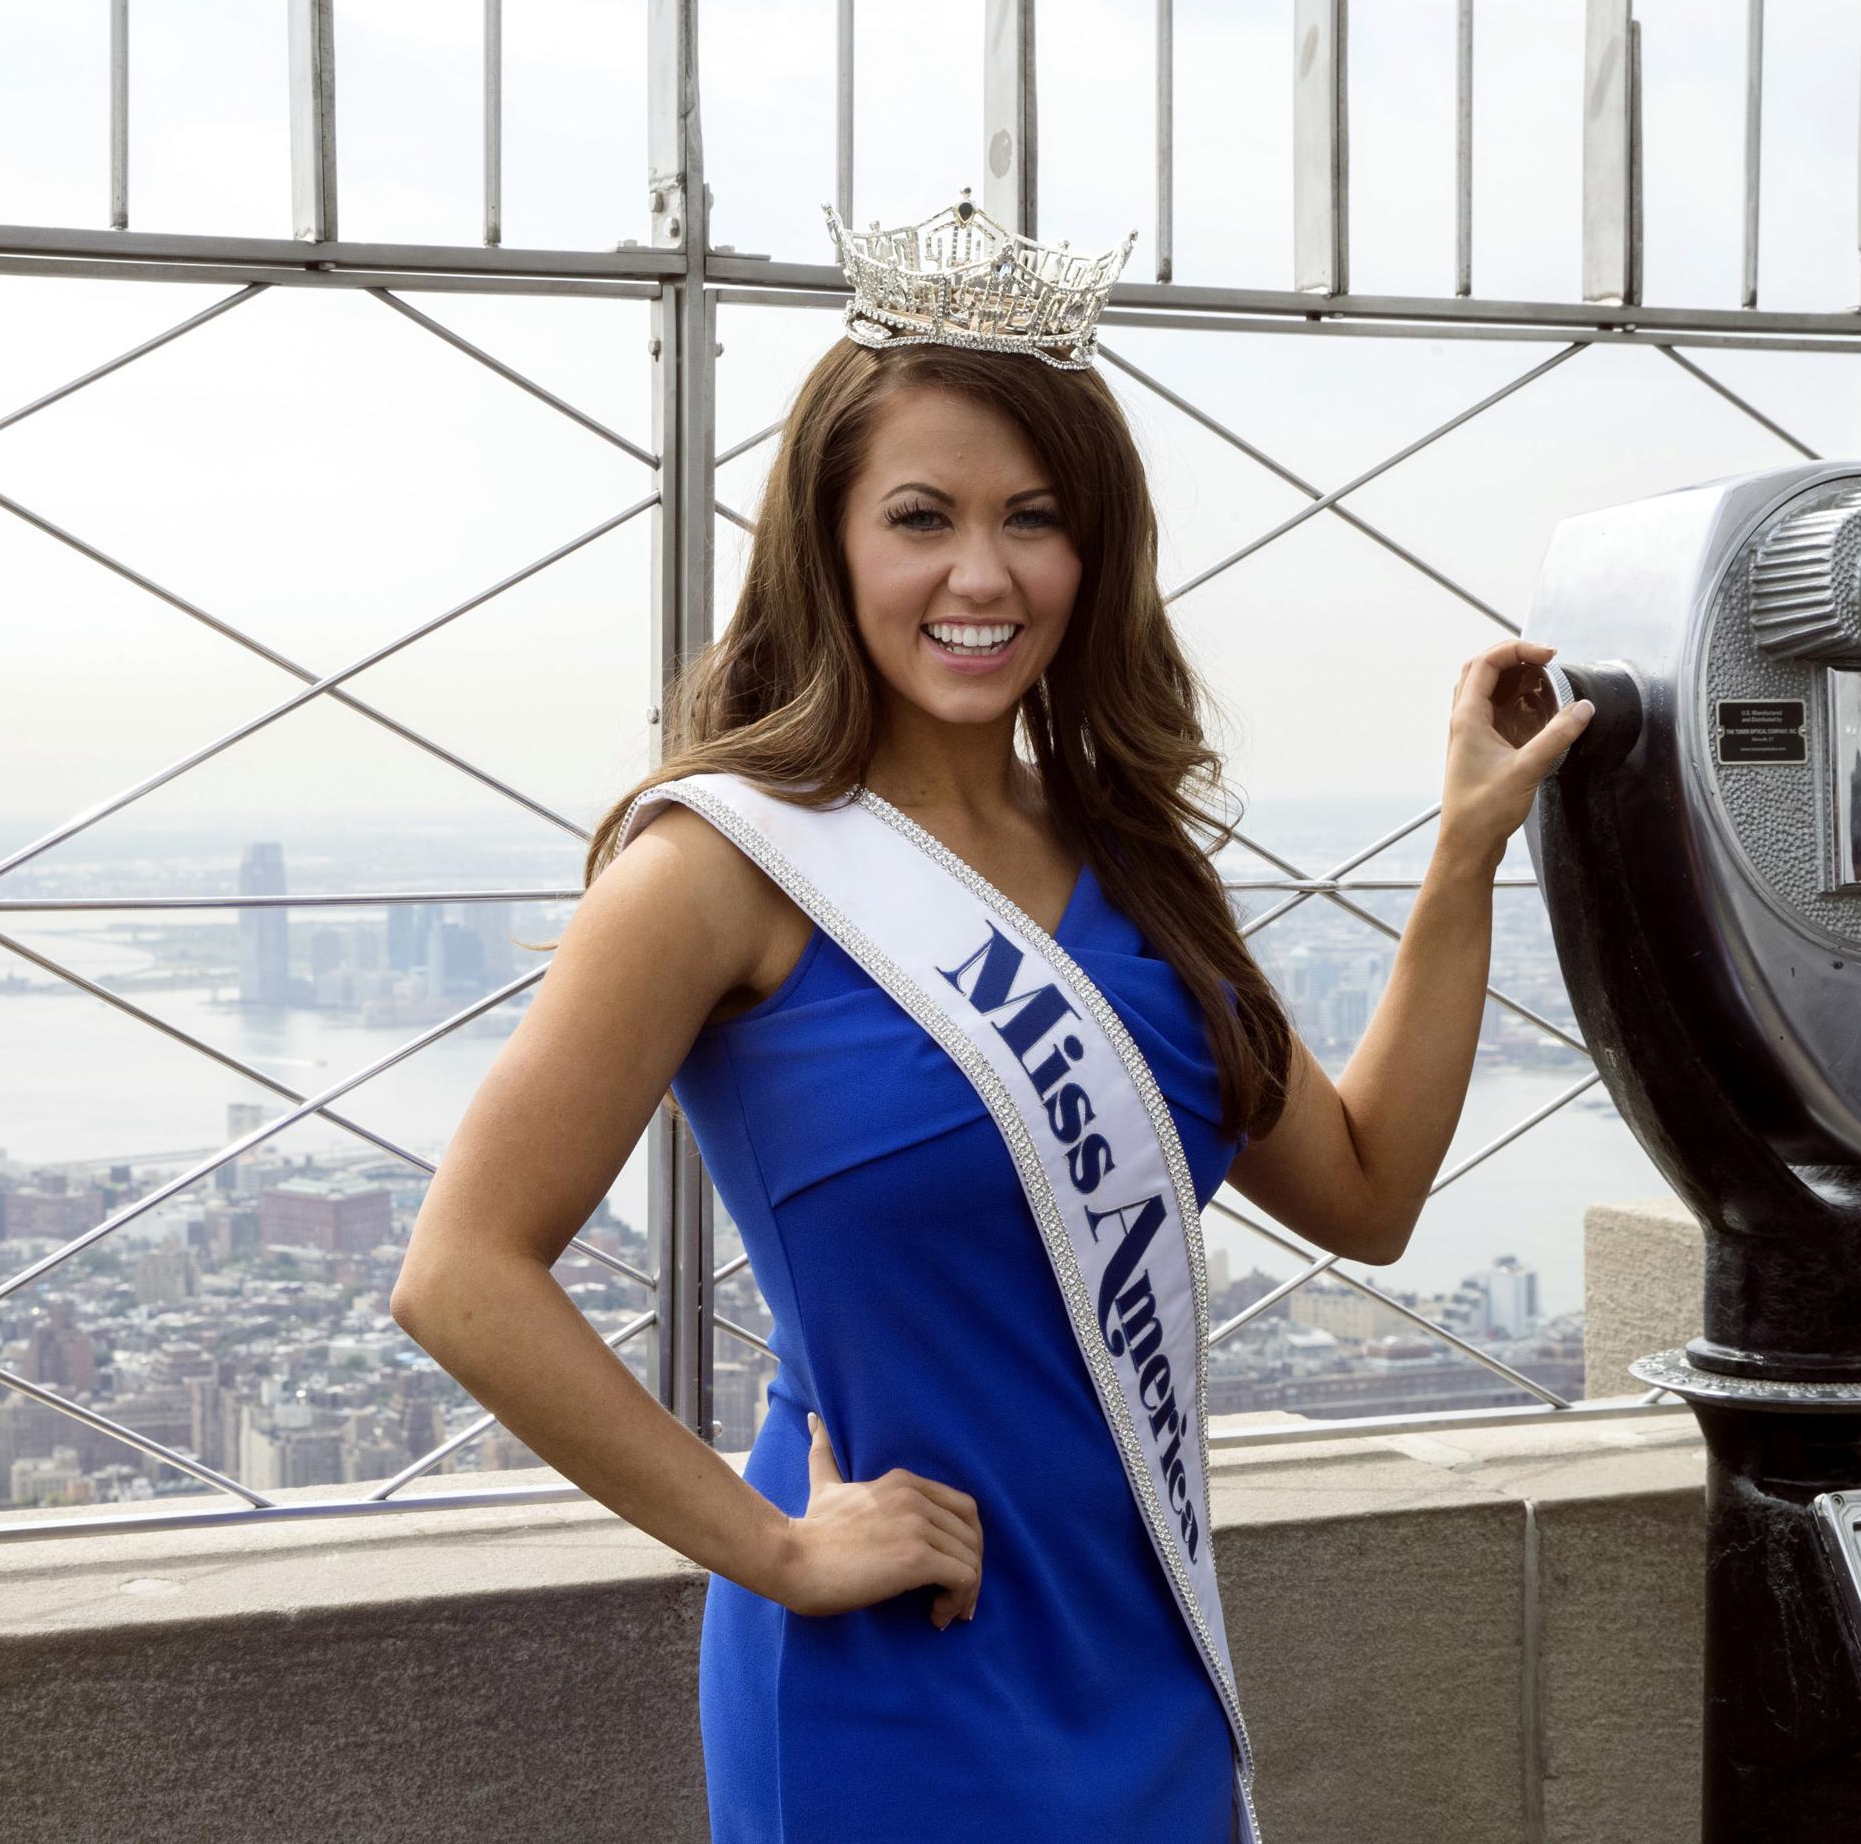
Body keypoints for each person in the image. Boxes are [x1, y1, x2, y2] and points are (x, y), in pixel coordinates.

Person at [388, 193, 1592, 1842]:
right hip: (892, 1684)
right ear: (830, 544)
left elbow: (1370, 1192)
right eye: (920, 516)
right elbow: (461, 1273)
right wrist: (779, 1545)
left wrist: (1463, 852)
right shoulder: (720, 867)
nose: (981, 572)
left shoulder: (1131, 863)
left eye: (1033, 517)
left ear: (1092, 555)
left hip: (1140, 1660)